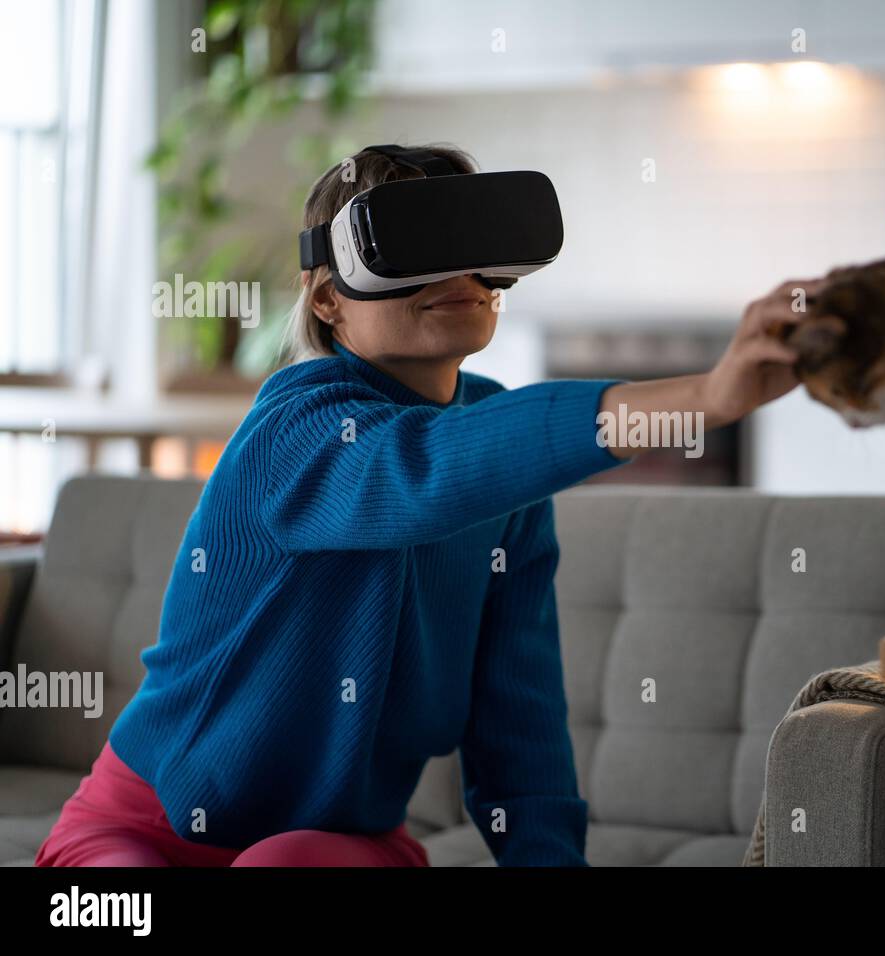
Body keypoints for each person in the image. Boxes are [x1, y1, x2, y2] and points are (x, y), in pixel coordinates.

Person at [35, 144, 823, 867]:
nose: (457, 273)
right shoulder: (294, 430)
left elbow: (518, 717)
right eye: (413, 248)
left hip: (334, 849)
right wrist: (706, 397)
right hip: (139, 828)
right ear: (326, 300)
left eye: (469, 244)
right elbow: (423, 472)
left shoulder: (498, 464)